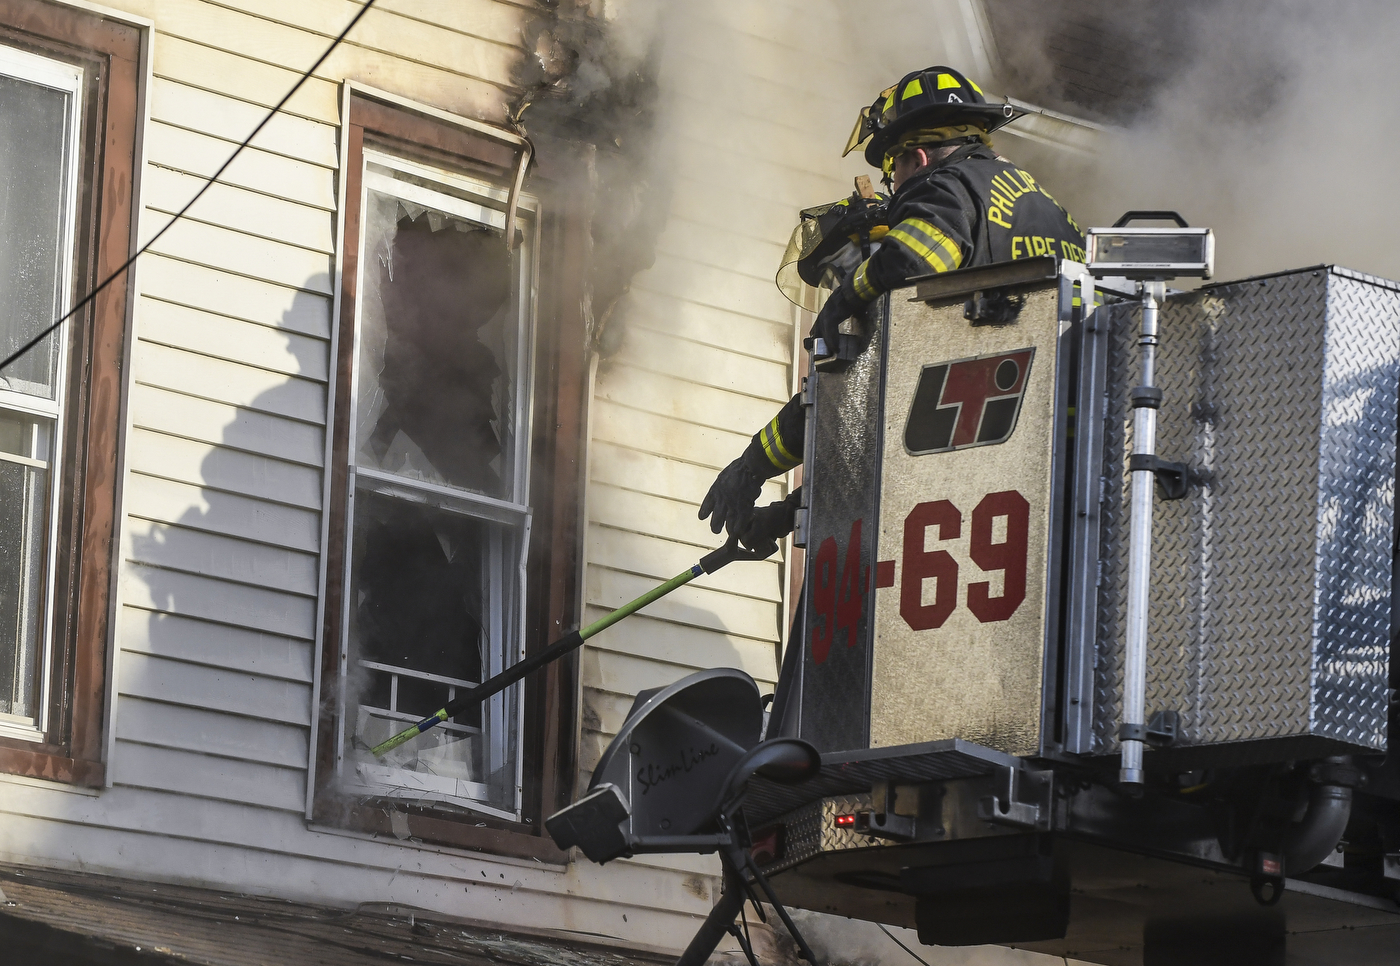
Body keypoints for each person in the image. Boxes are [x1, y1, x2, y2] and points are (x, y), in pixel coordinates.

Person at [700, 65, 1086, 548]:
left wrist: (843, 303)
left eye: (891, 173)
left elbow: (907, 271)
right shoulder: (1050, 208)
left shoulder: (943, 187)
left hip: (979, 473)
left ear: (916, 157)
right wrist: (790, 512)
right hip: (1055, 457)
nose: (893, 191)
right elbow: (903, 424)